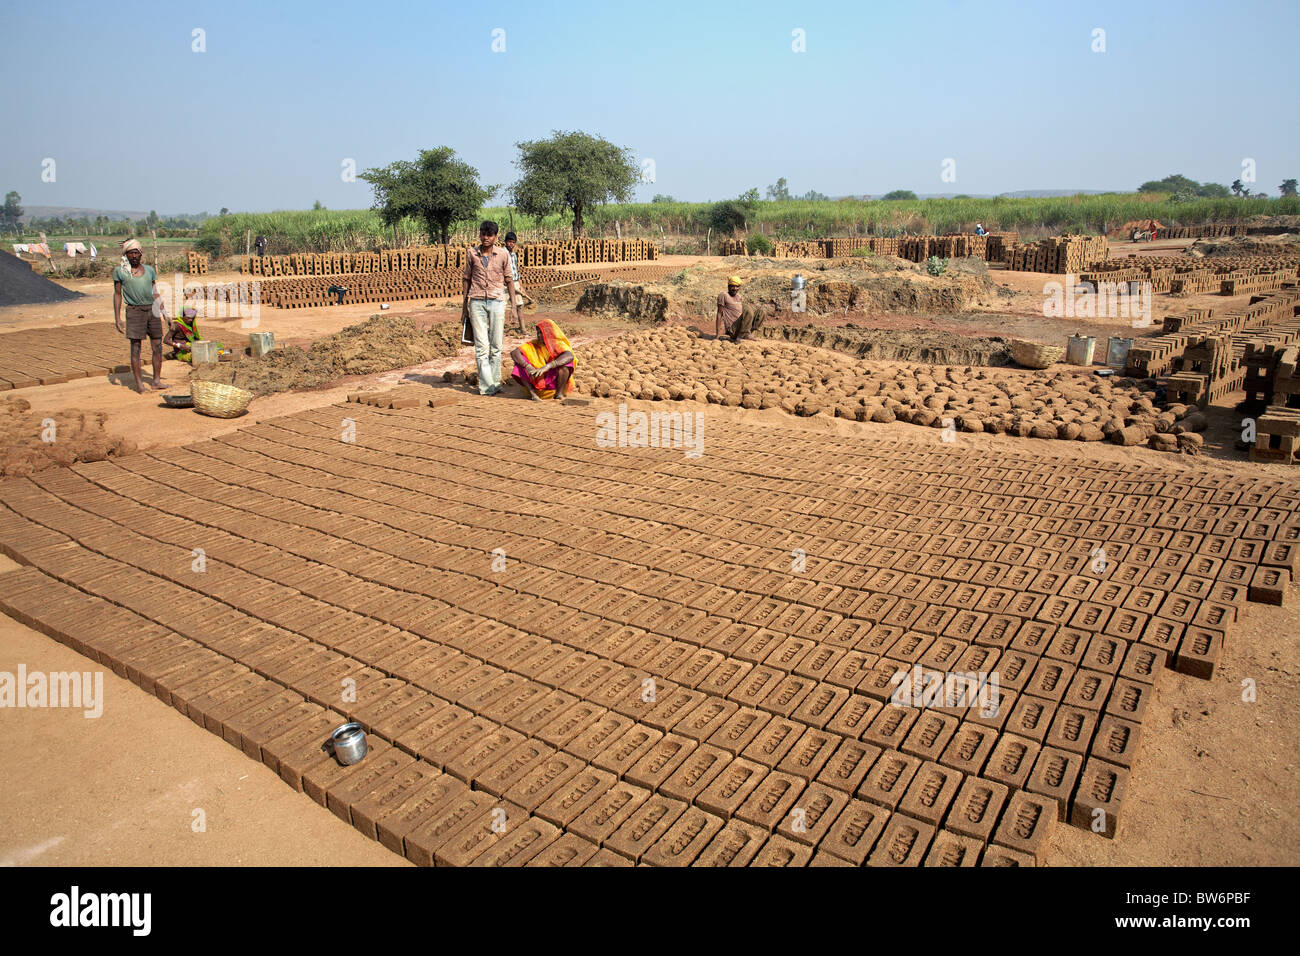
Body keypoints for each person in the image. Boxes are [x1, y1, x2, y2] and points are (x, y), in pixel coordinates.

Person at [462, 220, 520, 396]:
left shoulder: (503, 255)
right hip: (477, 301)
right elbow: (466, 279)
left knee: (496, 346)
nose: (485, 238)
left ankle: (495, 383)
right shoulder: (472, 254)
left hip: (497, 301)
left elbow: (509, 280)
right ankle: (487, 387)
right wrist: (464, 306)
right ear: (479, 234)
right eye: (483, 234)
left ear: (495, 237)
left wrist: (514, 307)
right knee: (481, 347)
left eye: (489, 235)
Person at [113, 239, 168, 391]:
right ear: (126, 255)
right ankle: (139, 384)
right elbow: (117, 294)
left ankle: (156, 381)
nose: (134, 256)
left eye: (137, 253)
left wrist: (165, 313)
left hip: (152, 310)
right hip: (134, 311)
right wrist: (117, 318)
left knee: (157, 346)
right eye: (131, 253)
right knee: (136, 347)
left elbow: (155, 292)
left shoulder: (149, 270)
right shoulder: (120, 272)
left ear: (141, 254)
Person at [510, 319, 575, 401]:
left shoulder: (558, 344)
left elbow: (569, 356)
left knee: (567, 364)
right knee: (519, 363)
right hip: (536, 376)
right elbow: (514, 352)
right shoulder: (534, 343)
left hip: (553, 380)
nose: (539, 335)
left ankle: (559, 394)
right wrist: (527, 366)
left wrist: (548, 366)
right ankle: (533, 395)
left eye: (541, 333)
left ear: (549, 333)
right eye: (538, 333)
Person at [715, 275, 766, 342]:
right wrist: (718, 334)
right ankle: (740, 336)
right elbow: (719, 314)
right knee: (747, 308)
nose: (735, 288)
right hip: (733, 329)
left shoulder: (739, 296)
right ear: (728, 286)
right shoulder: (724, 295)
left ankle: (748, 334)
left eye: (737, 286)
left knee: (761, 312)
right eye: (732, 286)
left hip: (742, 327)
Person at [503, 230, 529, 332]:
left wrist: (520, 286)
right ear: (505, 242)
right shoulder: (502, 253)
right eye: (509, 241)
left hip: (515, 282)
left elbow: (516, 271)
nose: (511, 244)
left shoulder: (514, 255)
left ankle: (523, 329)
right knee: (501, 306)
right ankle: (496, 329)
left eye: (513, 242)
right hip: (504, 284)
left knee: (519, 306)